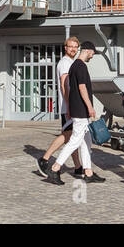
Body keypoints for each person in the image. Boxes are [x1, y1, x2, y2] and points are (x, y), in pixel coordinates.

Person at [46, 40, 105, 185]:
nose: (92, 56)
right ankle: (55, 168)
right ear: (88, 51)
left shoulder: (73, 66)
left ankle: (88, 172)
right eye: (92, 53)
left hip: (77, 109)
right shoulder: (81, 67)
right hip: (81, 111)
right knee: (75, 141)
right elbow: (82, 88)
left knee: (86, 142)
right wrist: (90, 107)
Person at [36, 37, 81, 178]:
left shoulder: (70, 62)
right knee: (67, 135)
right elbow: (64, 85)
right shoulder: (65, 63)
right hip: (68, 107)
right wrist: (69, 106)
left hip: (68, 107)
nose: (73, 49)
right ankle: (44, 159)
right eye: (70, 46)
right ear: (65, 48)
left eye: (75, 47)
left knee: (72, 138)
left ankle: (78, 166)